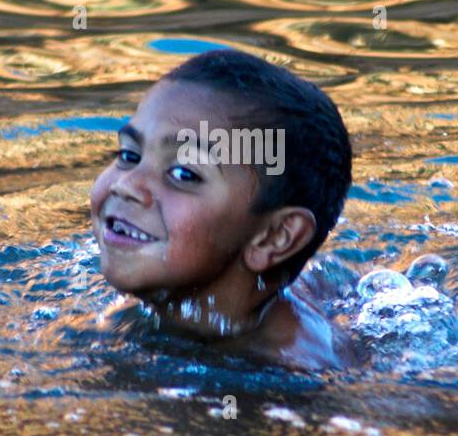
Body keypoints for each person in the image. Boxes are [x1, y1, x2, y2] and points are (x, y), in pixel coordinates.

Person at [89, 49, 357, 371]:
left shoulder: (290, 379)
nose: (126, 185)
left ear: (273, 237)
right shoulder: (155, 309)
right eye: (130, 155)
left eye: (184, 174)